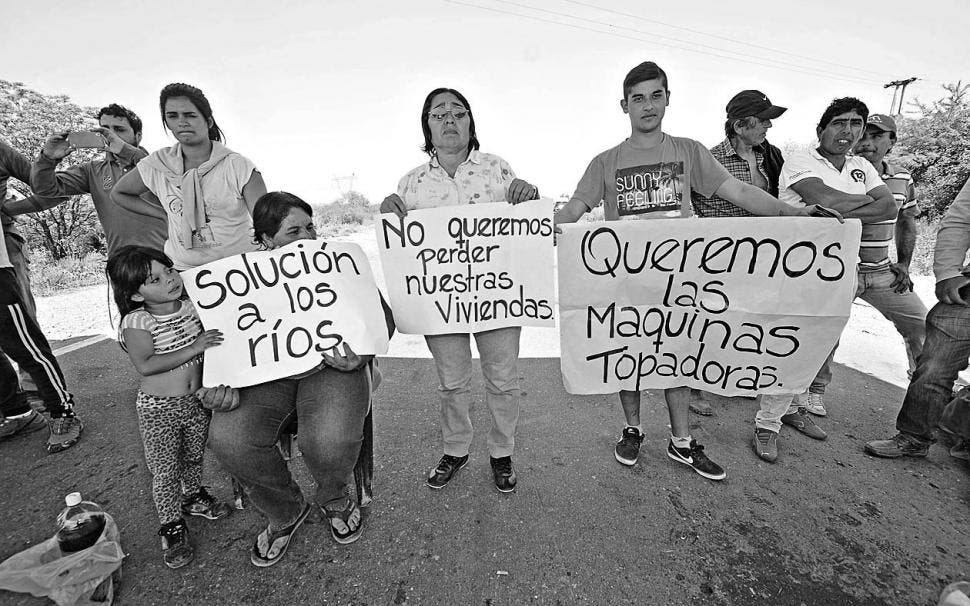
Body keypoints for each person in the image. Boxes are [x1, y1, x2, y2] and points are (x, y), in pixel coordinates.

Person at [555, 62, 833, 480]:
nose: (647, 105)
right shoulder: (604, 162)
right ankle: (632, 430)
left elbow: (739, 192)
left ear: (667, 98)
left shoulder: (688, 152)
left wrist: (796, 214)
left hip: (681, 284)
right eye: (637, 98)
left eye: (655, 95)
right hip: (626, 285)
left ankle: (681, 442)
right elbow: (574, 211)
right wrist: (533, 228)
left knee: (677, 361)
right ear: (624, 106)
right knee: (627, 361)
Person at [207, 192, 387, 568]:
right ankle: (286, 510)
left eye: (310, 227)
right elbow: (220, 344)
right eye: (293, 231)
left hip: (333, 370)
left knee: (330, 438)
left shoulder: (338, 263)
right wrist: (217, 383)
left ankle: (334, 497)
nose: (307, 237)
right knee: (229, 439)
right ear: (266, 240)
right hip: (267, 379)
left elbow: (382, 317)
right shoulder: (237, 281)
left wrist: (363, 354)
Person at [381, 87, 539, 494]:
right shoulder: (411, 183)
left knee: (503, 380)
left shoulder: (498, 169)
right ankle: (456, 448)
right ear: (427, 126)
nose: (449, 120)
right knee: (451, 382)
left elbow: (523, 228)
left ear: (471, 122)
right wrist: (390, 213)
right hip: (441, 304)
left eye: (458, 112)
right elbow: (404, 248)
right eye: (439, 114)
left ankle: (502, 452)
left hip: (498, 298)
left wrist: (527, 194)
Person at [689, 89, 834, 462]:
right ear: (740, 125)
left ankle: (770, 399)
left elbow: (775, 202)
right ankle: (696, 387)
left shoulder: (772, 156)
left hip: (766, 259)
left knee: (762, 327)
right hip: (723, 259)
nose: (769, 126)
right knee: (714, 326)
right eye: (763, 120)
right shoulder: (709, 158)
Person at [106, 245, 233, 568]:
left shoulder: (191, 307)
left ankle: (193, 496)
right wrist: (195, 347)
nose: (170, 280)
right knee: (164, 471)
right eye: (155, 279)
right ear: (136, 294)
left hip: (195, 403)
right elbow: (146, 365)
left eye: (169, 271)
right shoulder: (138, 320)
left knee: (193, 456)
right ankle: (171, 525)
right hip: (159, 409)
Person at [779, 98, 898, 427]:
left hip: (840, 268)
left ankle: (792, 407)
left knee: (821, 336)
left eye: (855, 124)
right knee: (792, 335)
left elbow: (889, 208)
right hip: (798, 266)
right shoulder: (800, 160)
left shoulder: (862, 166)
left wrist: (840, 208)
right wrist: (862, 202)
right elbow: (826, 200)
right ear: (821, 129)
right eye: (839, 123)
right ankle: (777, 413)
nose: (847, 130)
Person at [864, 177, 970, 458]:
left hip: (888, 273)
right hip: (965, 288)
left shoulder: (901, 180)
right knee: (936, 363)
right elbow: (960, 220)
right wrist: (948, 273)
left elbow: (906, 218)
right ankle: (914, 437)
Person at [111, 83, 266, 270]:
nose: (181, 122)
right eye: (172, 116)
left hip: (242, 268)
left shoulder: (237, 166)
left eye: (190, 115)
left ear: (208, 121)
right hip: (186, 272)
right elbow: (119, 193)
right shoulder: (157, 165)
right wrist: (163, 214)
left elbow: (266, 222)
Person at [0, 140, 83, 454]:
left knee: (21, 337)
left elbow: (51, 190)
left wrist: (11, 209)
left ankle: (60, 409)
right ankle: (16, 410)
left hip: (2, 255)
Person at [11, 104, 168, 255]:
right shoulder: (92, 170)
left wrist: (125, 150)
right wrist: (47, 158)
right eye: (105, 130)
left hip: (169, 260)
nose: (111, 135)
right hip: (122, 267)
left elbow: (165, 176)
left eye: (119, 130)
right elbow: (45, 189)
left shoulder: (160, 161)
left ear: (138, 136)